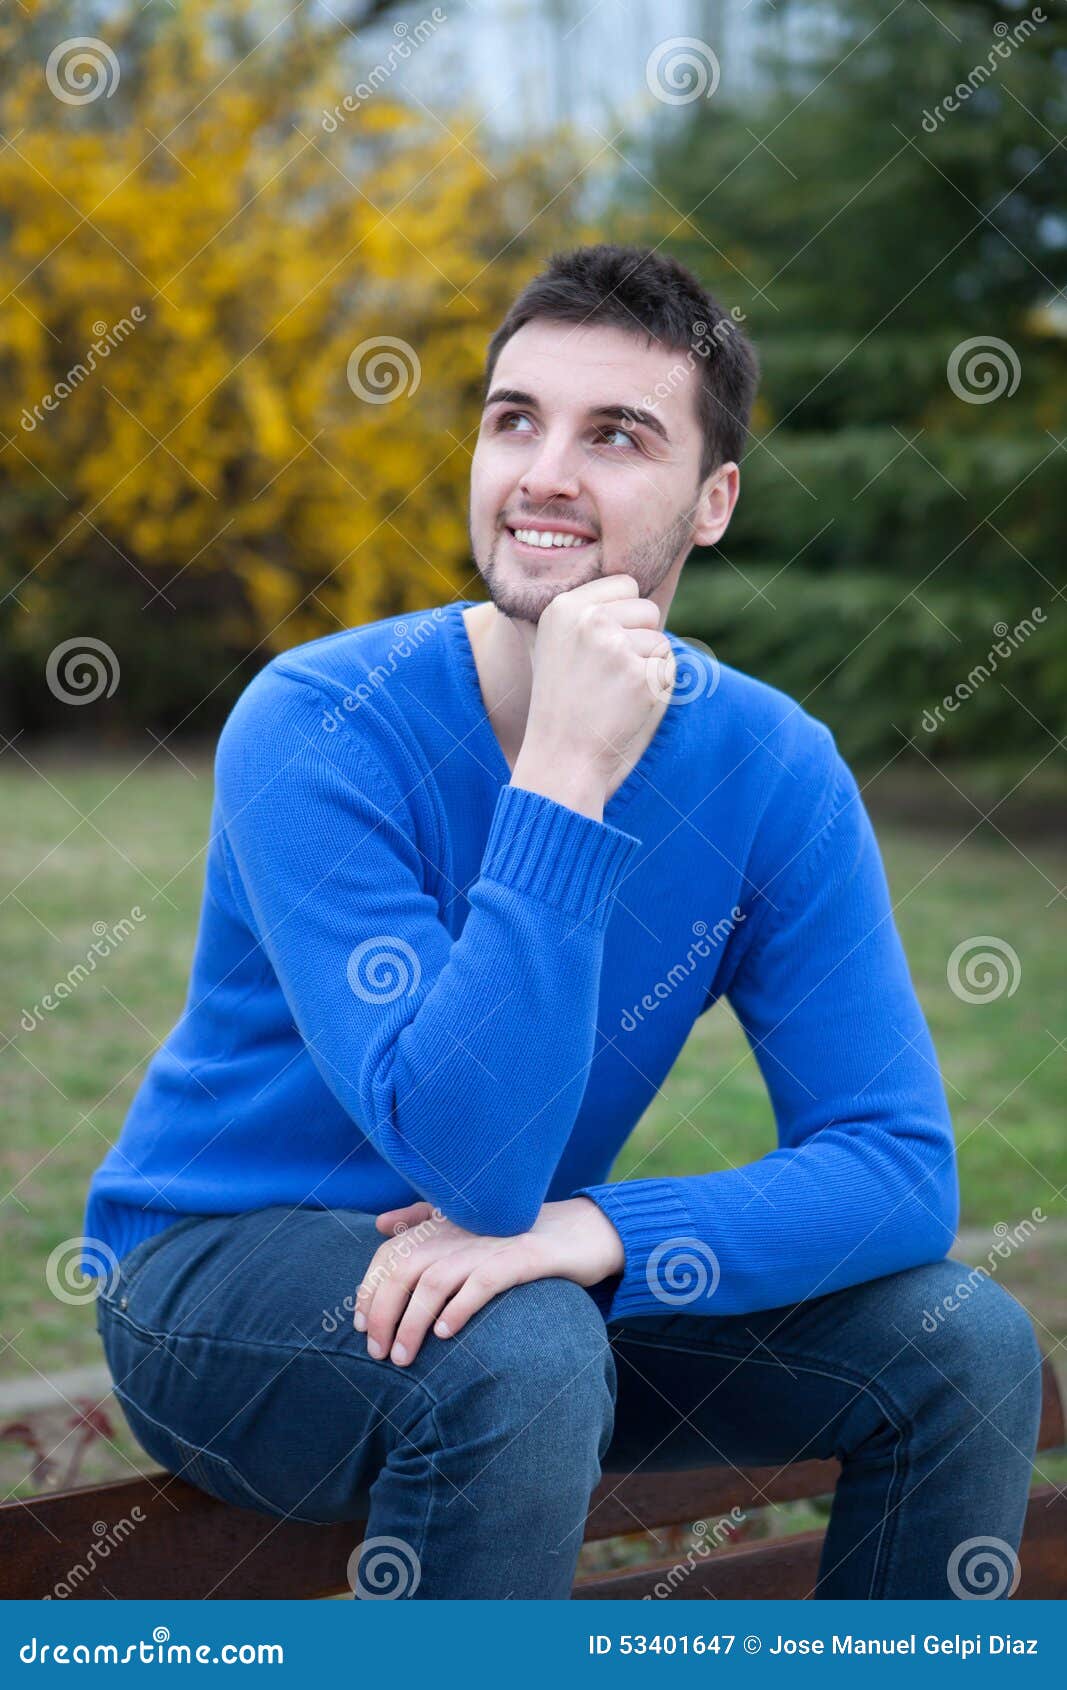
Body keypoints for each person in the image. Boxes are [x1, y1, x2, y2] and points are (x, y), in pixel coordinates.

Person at [83, 243, 1041, 1600]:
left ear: (713, 502)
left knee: (966, 1340)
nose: (542, 471)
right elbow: (467, 1153)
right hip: (216, 1279)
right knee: (520, 1346)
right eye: (514, 419)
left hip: (525, 1281)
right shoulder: (318, 721)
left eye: (616, 436)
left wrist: (598, 1232)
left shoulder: (771, 767)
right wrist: (567, 777)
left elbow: (899, 1168)